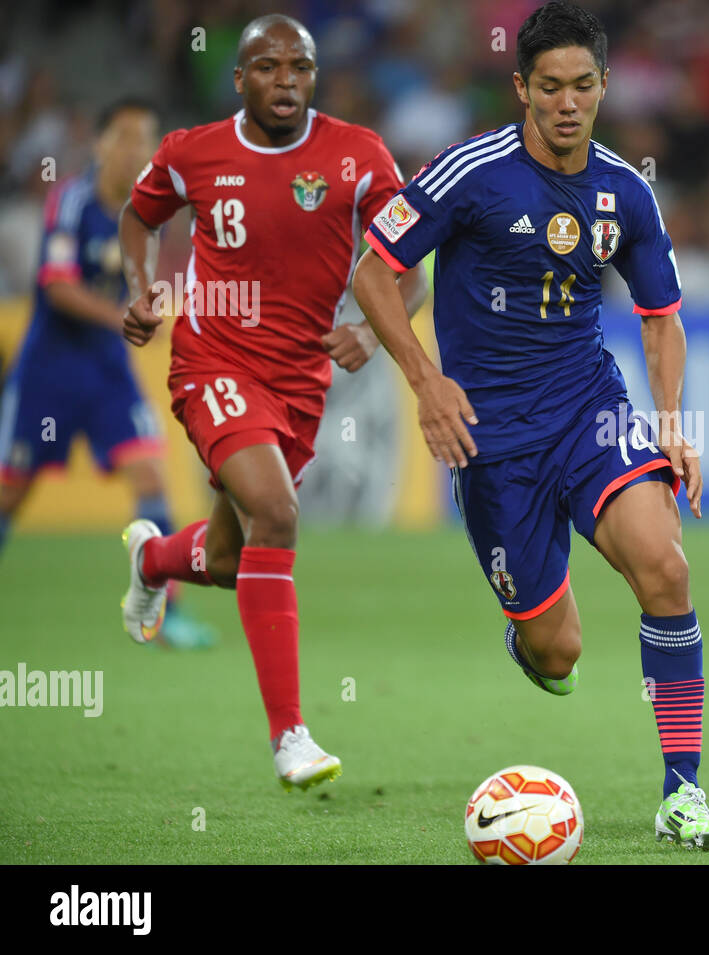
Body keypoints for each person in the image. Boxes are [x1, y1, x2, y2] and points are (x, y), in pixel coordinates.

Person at [352, 0, 709, 849]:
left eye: (583, 86)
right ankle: (533, 641)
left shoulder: (625, 191)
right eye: (549, 87)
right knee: (557, 651)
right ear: (522, 87)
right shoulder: (470, 174)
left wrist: (672, 423)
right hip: (491, 441)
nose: (567, 103)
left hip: (588, 414)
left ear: (603, 87)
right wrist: (426, 380)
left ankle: (683, 791)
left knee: (666, 568)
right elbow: (376, 272)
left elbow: (661, 316)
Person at [118, 14, 426, 789]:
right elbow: (137, 216)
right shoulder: (193, 152)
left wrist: (375, 330)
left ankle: (153, 557)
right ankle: (290, 735)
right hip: (211, 360)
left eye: (300, 66)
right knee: (280, 513)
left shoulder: (360, 156)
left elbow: (409, 263)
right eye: (267, 67)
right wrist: (142, 287)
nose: (285, 80)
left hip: (299, 382)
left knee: (229, 558)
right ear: (239, 78)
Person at [0, 97, 215, 649]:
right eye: (123, 136)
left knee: (150, 477)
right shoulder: (70, 200)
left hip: (106, 371)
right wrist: (124, 314)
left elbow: (144, 282)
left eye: (144, 138)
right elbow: (57, 284)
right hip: (48, 370)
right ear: (99, 145)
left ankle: (167, 611)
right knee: (10, 496)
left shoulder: (152, 210)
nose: (135, 148)